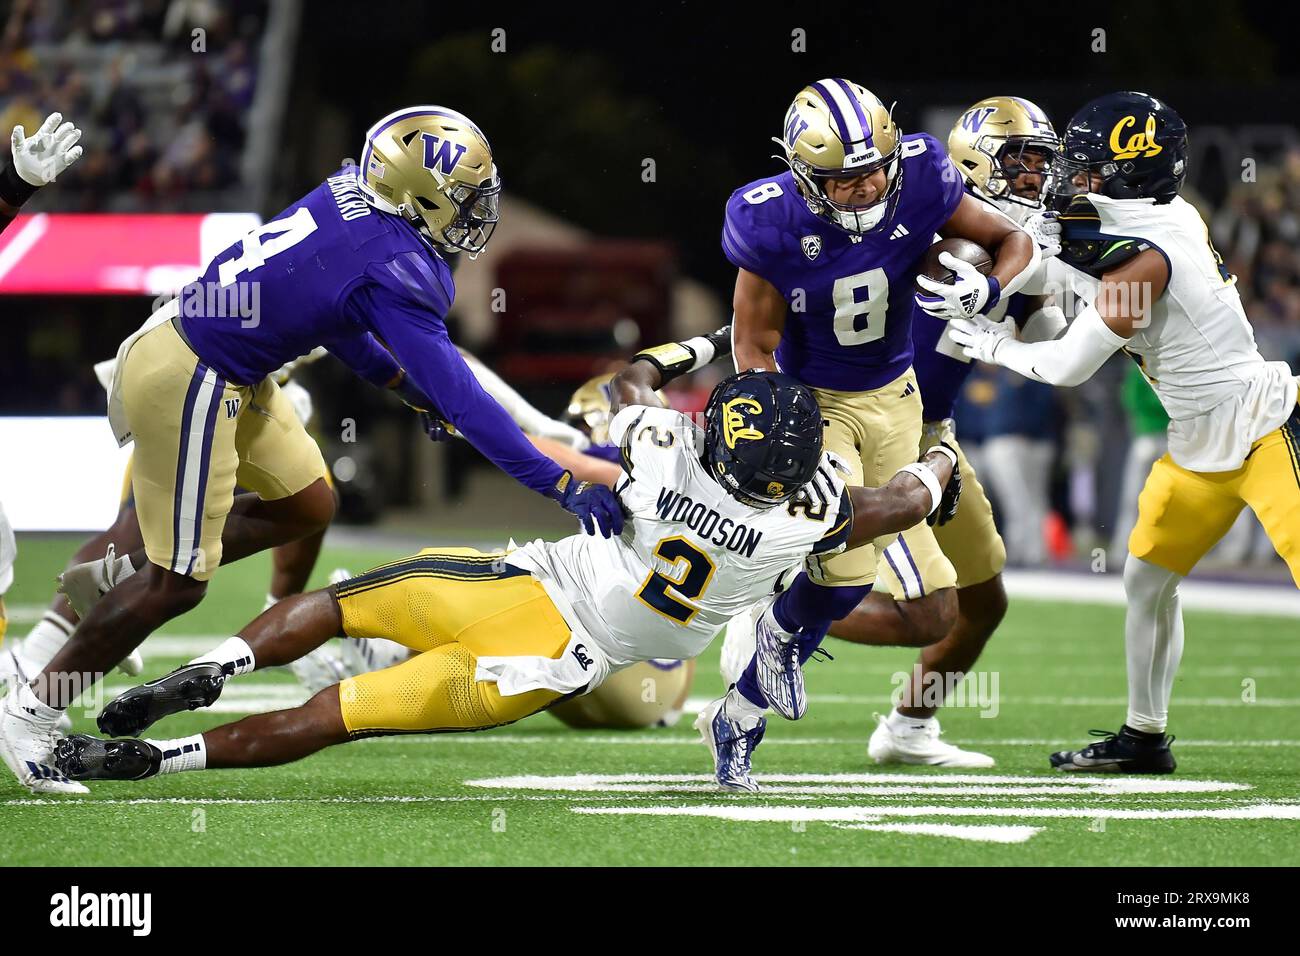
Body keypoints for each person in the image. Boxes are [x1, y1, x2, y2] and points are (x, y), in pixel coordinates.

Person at [0, 106, 621, 794]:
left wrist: (398, 383)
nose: (476, 210)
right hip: (194, 372)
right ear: (418, 190)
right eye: (465, 196)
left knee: (308, 503)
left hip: (222, 355)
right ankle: (32, 712)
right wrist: (557, 485)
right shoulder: (397, 261)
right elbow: (465, 403)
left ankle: (141, 563)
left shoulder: (351, 192)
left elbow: (343, 316)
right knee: (180, 585)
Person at [54, 357, 957, 794]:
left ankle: (218, 668)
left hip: (522, 582)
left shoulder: (663, 446)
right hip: (553, 666)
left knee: (332, 606)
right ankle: (152, 758)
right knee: (332, 721)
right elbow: (909, 499)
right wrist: (942, 458)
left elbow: (606, 416)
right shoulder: (812, 513)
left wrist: (656, 369)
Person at [950, 91, 1299, 773]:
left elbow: (1067, 363)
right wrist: (998, 280)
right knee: (1145, 582)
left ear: (1126, 172)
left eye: (1087, 167)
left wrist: (985, 334)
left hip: (1266, 430)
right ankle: (1144, 737)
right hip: (1199, 446)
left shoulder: (1147, 257)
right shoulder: (1155, 218)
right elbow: (1066, 254)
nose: (1070, 178)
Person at [723, 80, 1038, 730]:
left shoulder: (925, 178)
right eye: (843, 179)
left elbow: (1012, 247)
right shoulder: (769, 220)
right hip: (827, 409)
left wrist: (987, 285)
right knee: (852, 579)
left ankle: (909, 726)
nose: (864, 188)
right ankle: (766, 630)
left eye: (873, 171)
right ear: (804, 175)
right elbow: (752, 342)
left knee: (976, 602)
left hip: (913, 412)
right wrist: (771, 421)